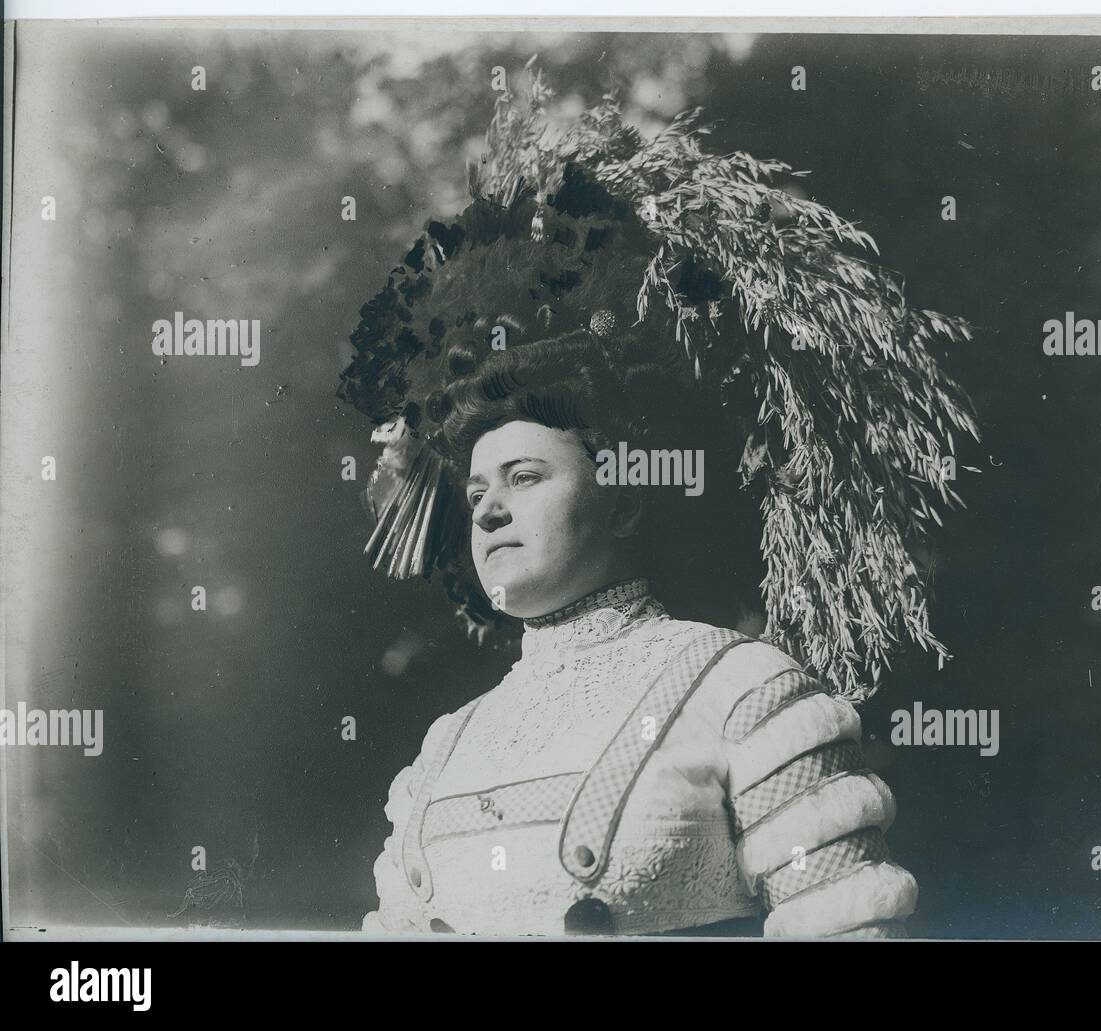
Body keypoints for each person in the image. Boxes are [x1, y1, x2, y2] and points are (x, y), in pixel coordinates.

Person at [340, 72, 979, 937]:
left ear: (627, 502)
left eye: (526, 478)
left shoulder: (746, 690)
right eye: (478, 490)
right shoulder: (446, 749)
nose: (487, 512)